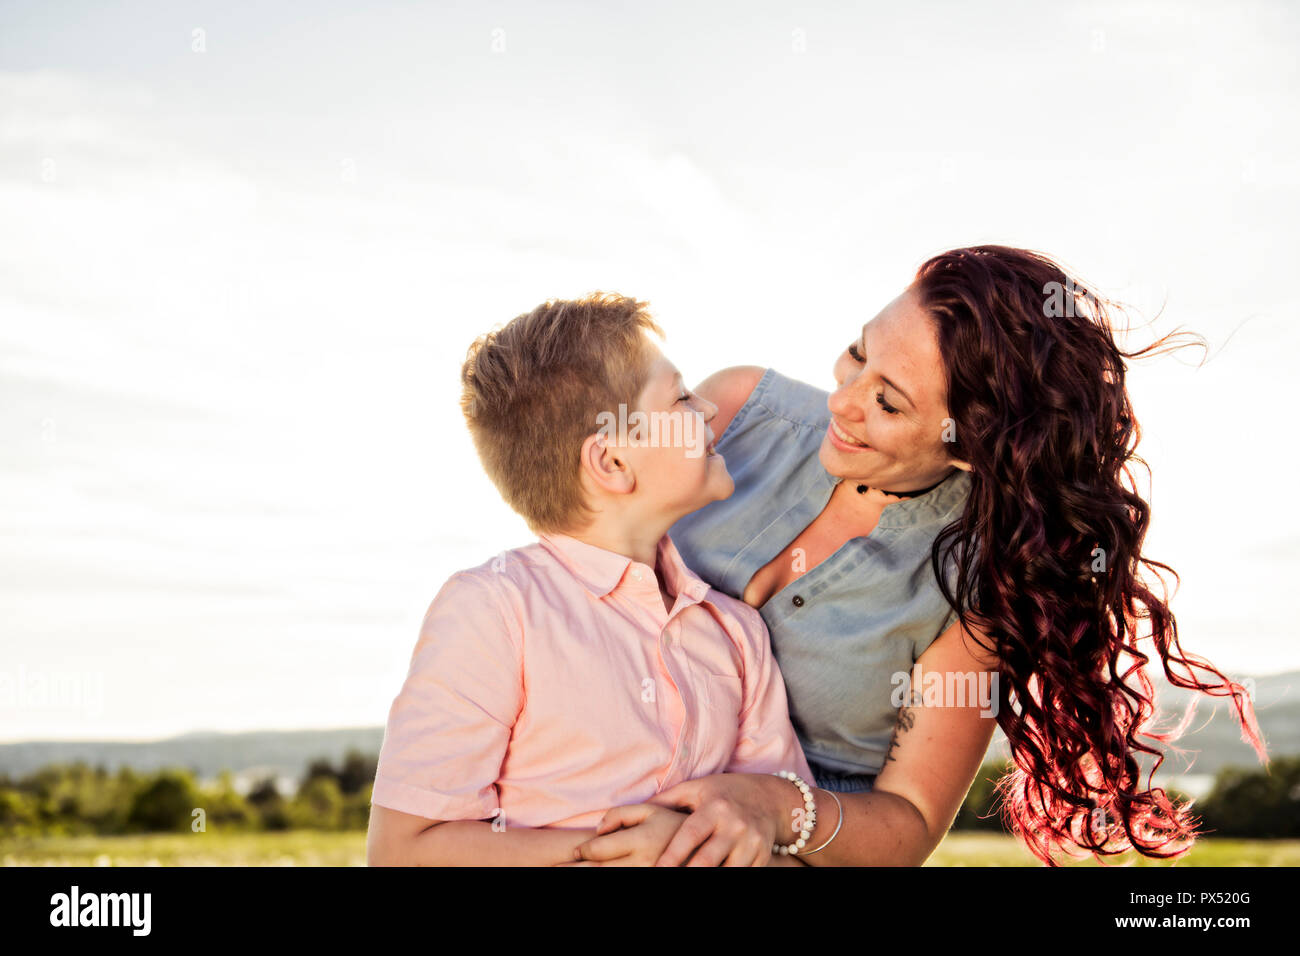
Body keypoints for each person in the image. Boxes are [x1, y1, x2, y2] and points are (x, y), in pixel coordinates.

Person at [574, 245, 1267, 866]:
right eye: (857, 350)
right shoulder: (733, 407)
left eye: (888, 402)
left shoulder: (979, 585)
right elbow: (569, 569)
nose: (842, 401)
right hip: (585, 793)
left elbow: (907, 822)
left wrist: (772, 810)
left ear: (971, 443)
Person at [366, 292, 814, 866]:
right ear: (612, 463)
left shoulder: (737, 633)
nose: (706, 409)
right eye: (679, 398)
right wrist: (625, 854)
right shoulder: (495, 611)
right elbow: (404, 850)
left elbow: (786, 840)